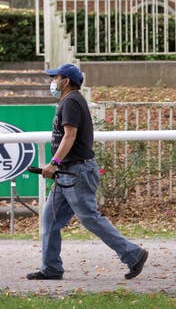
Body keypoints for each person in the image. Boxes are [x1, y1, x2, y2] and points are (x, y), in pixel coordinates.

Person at [26, 63, 148, 280]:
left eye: (56, 77)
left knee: (90, 218)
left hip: (77, 171)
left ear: (67, 81)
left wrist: (53, 162)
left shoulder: (72, 101)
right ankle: (51, 268)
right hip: (68, 172)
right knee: (50, 221)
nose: (52, 81)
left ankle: (132, 253)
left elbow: (70, 135)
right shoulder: (68, 101)